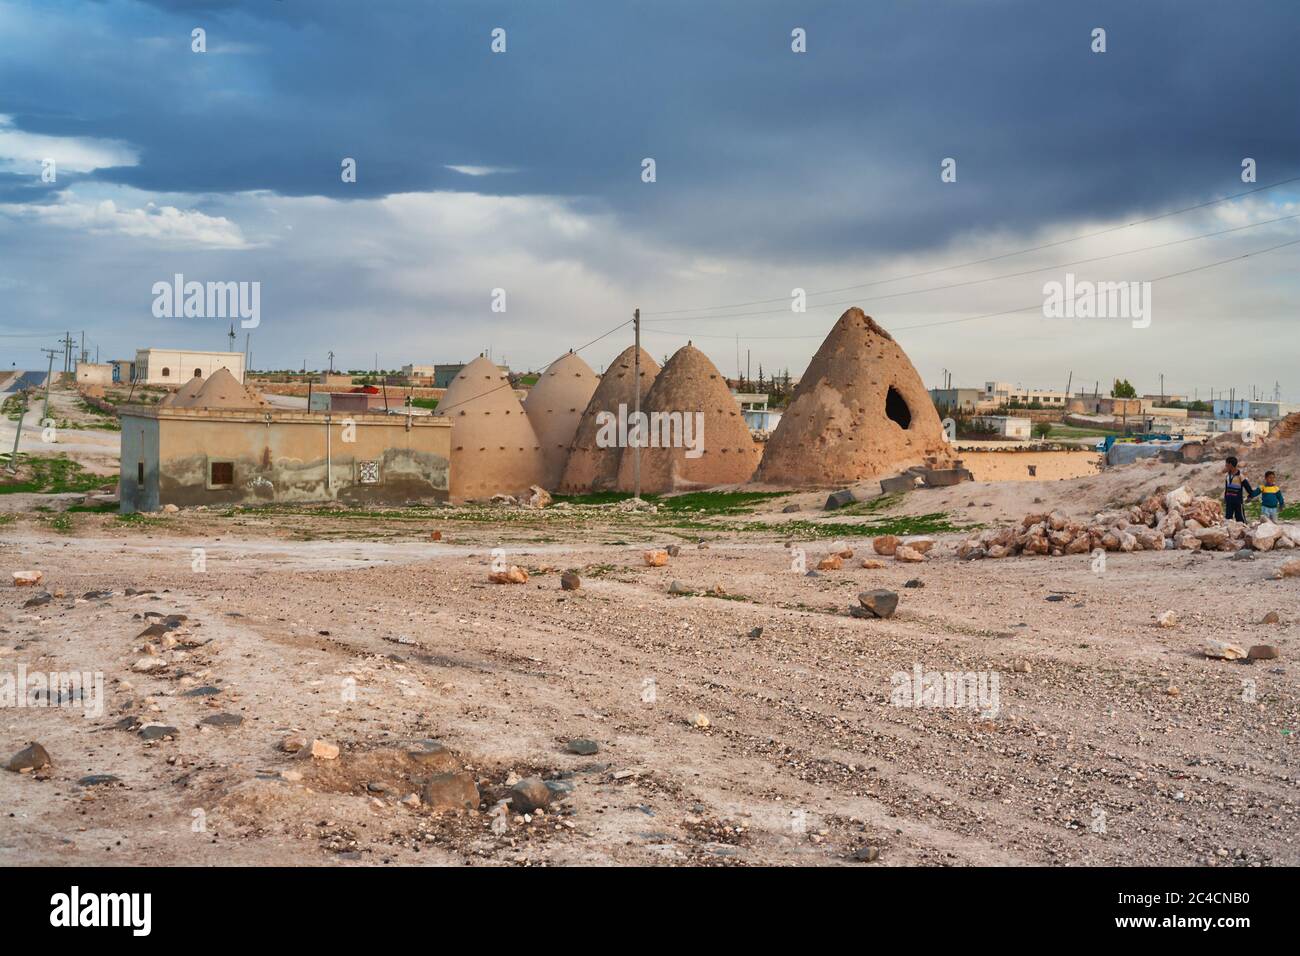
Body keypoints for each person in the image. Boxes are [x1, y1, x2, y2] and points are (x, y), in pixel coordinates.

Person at [1222, 456, 1255, 523]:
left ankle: (1245, 530)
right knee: (1228, 519)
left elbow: (1247, 487)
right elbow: (1227, 488)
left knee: (1240, 519)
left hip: (1238, 501)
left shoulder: (1240, 476)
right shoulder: (1227, 476)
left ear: (1230, 465)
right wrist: (1225, 498)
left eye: (1226, 465)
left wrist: (1250, 496)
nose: (1225, 467)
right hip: (1229, 501)